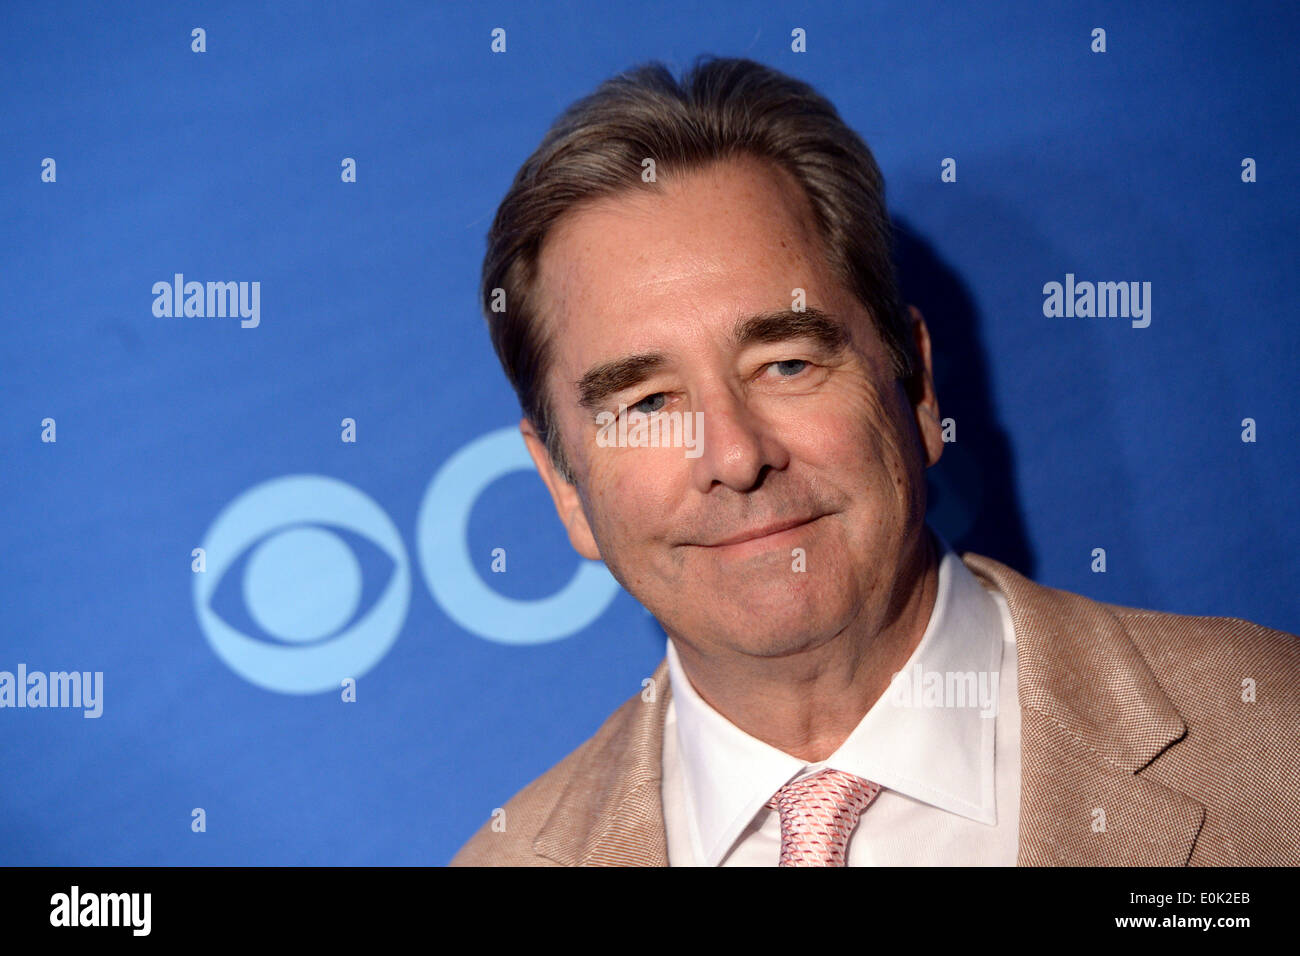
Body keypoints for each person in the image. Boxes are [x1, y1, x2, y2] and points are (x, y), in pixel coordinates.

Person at [451, 56, 1299, 866]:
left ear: (917, 385)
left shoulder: (1269, 744)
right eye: (647, 405)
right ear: (563, 482)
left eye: (786, 364)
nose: (738, 457)